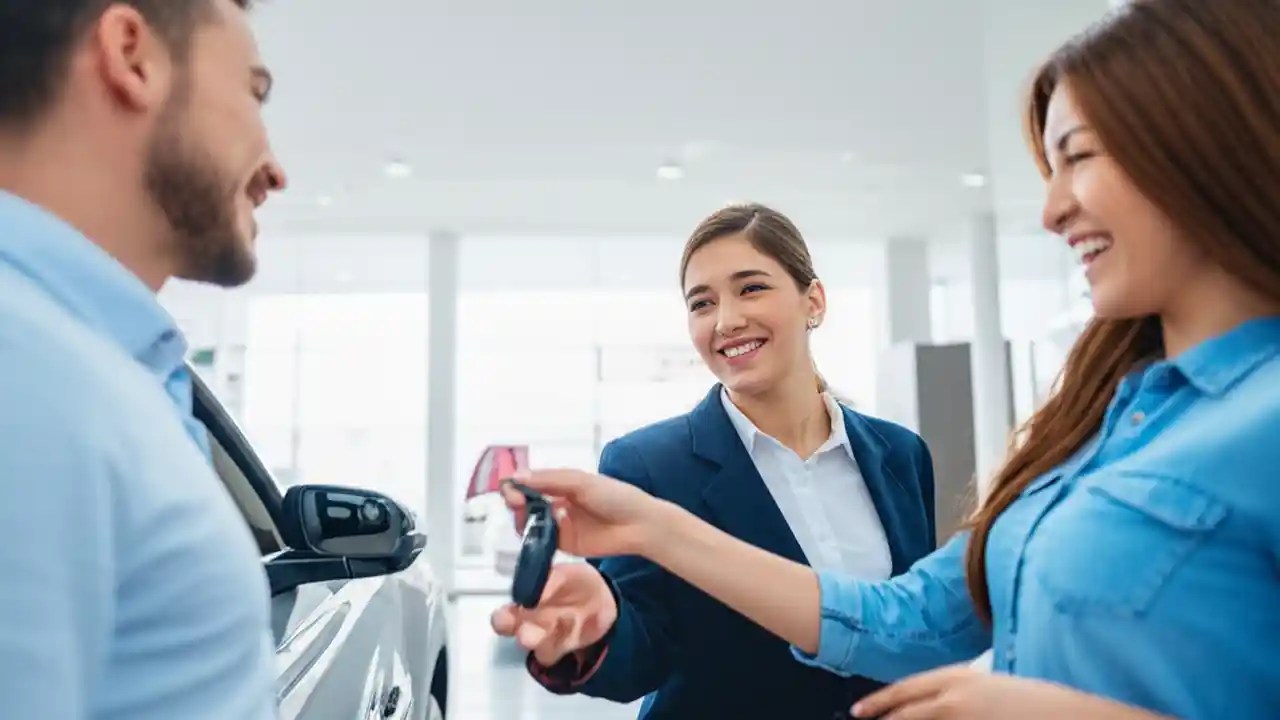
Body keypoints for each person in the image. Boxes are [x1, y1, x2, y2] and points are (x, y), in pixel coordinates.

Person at [495, 0, 1280, 718]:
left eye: (1079, 156)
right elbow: (903, 620)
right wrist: (651, 533)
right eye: (701, 302)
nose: (1049, 209)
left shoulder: (899, 453)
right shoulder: (1100, 423)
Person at [491, 203, 940, 718]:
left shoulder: (901, 456)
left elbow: (915, 630)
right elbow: (644, 650)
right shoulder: (648, 465)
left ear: (812, 300)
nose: (726, 321)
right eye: (701, 303)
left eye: (751, 288)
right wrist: (601, 631)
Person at [0, 1, 286, 718]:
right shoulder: (22, 374)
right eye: (254, 92)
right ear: (132, 55)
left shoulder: (91, 367)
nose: (276, 172)